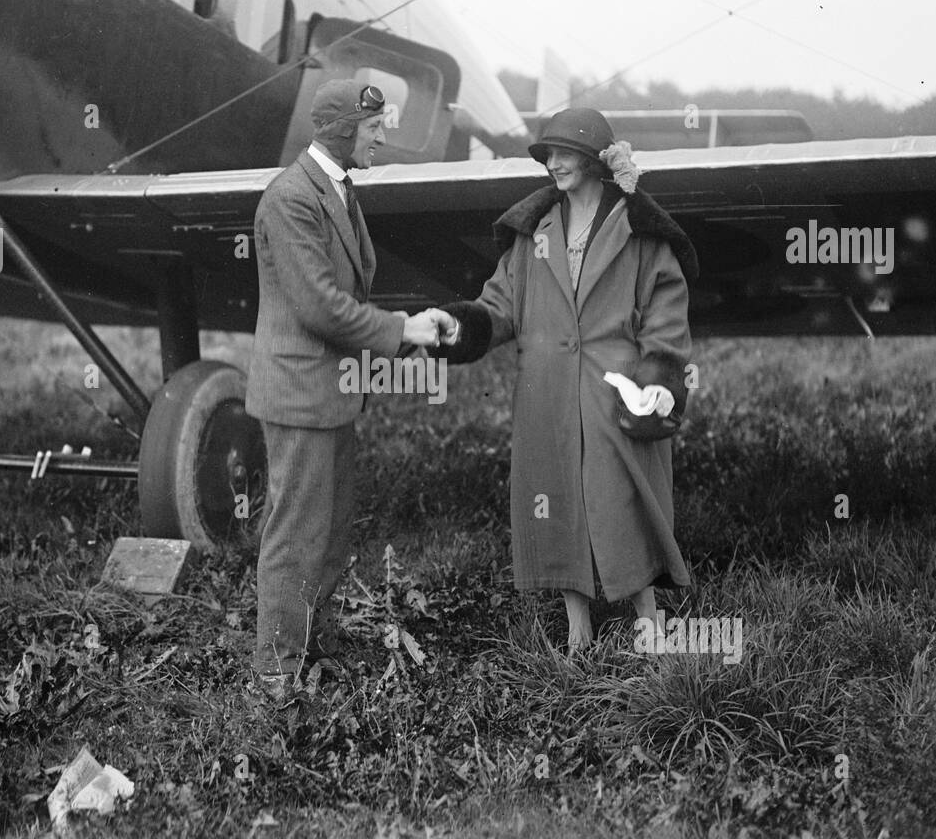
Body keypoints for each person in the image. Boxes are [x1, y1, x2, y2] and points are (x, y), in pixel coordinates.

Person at [432, 107, 699, 653]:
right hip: (547, 392)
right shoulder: (535, 234)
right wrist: (458, 325)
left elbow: (667, 314)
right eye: (547, 154)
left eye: (564, 153)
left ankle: (646, 615)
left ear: (596, 160)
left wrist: (658, 376)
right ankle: (578, 625)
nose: (552, 163)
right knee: (555, 497)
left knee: (622, 496)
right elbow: (501, 305)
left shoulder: (640, 232)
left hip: (616, 391)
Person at [246, 78, 441, 697]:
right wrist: (402, 328)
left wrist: (404, 330)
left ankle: (315, 645)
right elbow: (322, 308)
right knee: (295, 531)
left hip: (328, 391)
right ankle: (275, 675)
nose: (385, 134)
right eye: (374, 125)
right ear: (340, 130)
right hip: (300, 394)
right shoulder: (291, 199)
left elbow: (344, 296)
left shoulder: (337, 188)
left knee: (329, 528)